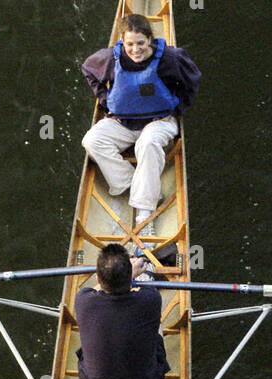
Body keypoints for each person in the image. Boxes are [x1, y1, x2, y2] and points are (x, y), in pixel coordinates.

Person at [81, 12, 201, 229]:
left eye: (141, 43)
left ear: (150, 40)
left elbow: (192, 80)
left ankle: (145, 215)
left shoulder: (170, 59)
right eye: (130, 44)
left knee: (148, 143)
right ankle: (129, 182)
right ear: (122, 42)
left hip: (159, 122)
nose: (136, 49)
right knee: (92, 140)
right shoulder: (109, 59)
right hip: (123, 122)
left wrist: (178, 108)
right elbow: (88, 69)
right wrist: (105, 100)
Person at [75, 243, 168, 379]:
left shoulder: (83, 300)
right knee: (156, 322)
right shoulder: (152, 299)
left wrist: (121, 276)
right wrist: (130, 275)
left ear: (97, 278)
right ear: (130, 277)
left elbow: (96, 289)